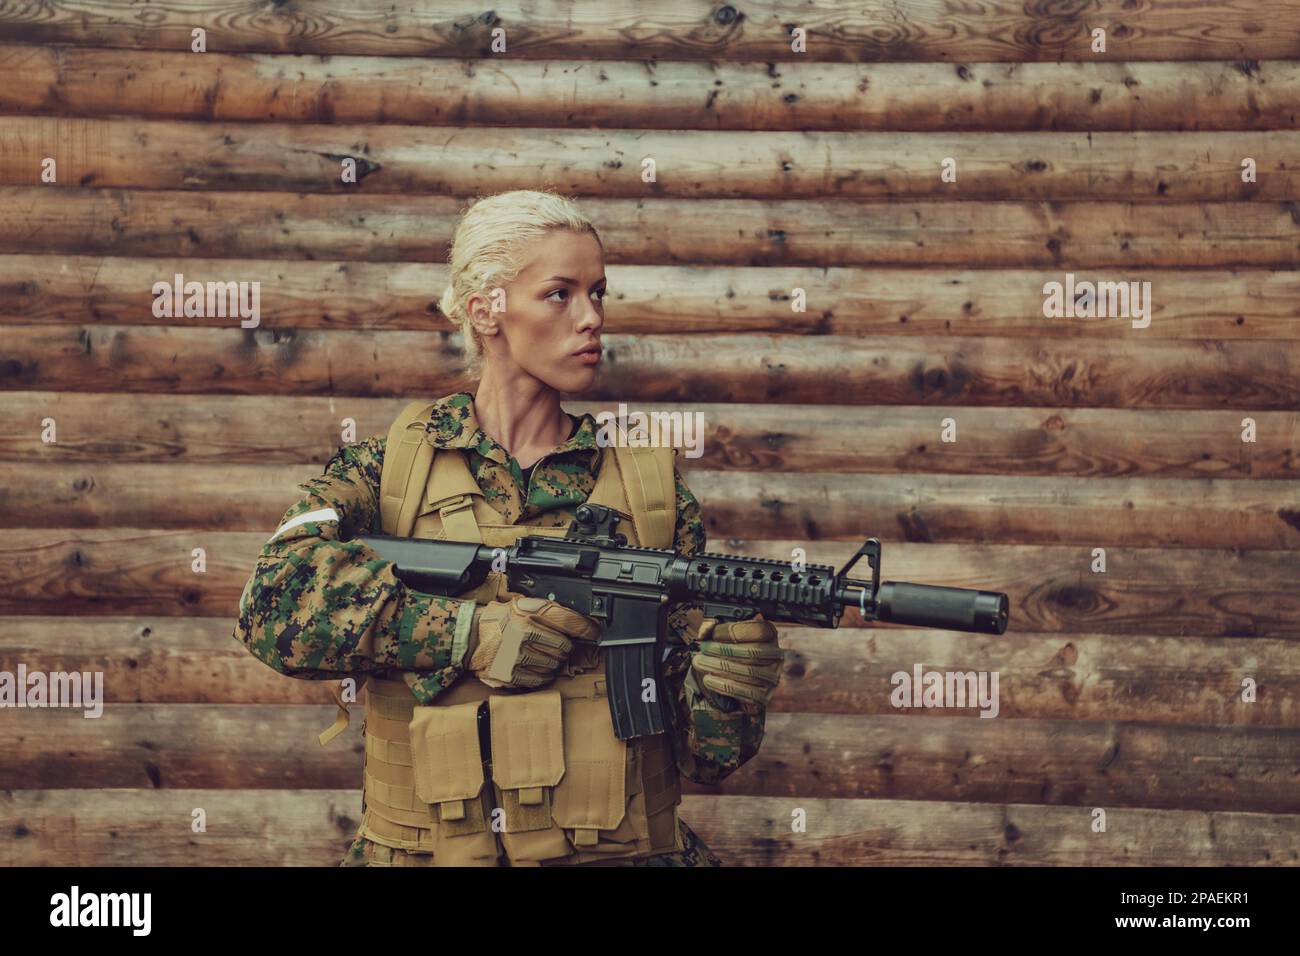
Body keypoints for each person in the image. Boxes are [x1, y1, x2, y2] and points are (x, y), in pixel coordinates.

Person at [232, 189, 784, 866]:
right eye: (560, 293)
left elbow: (706, 758)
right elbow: (271, 602)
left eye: (599, 293)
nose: (592, 318)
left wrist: (730, 683)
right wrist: (470, 634)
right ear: (486, 309)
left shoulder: (651, 493)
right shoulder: (386, 471)